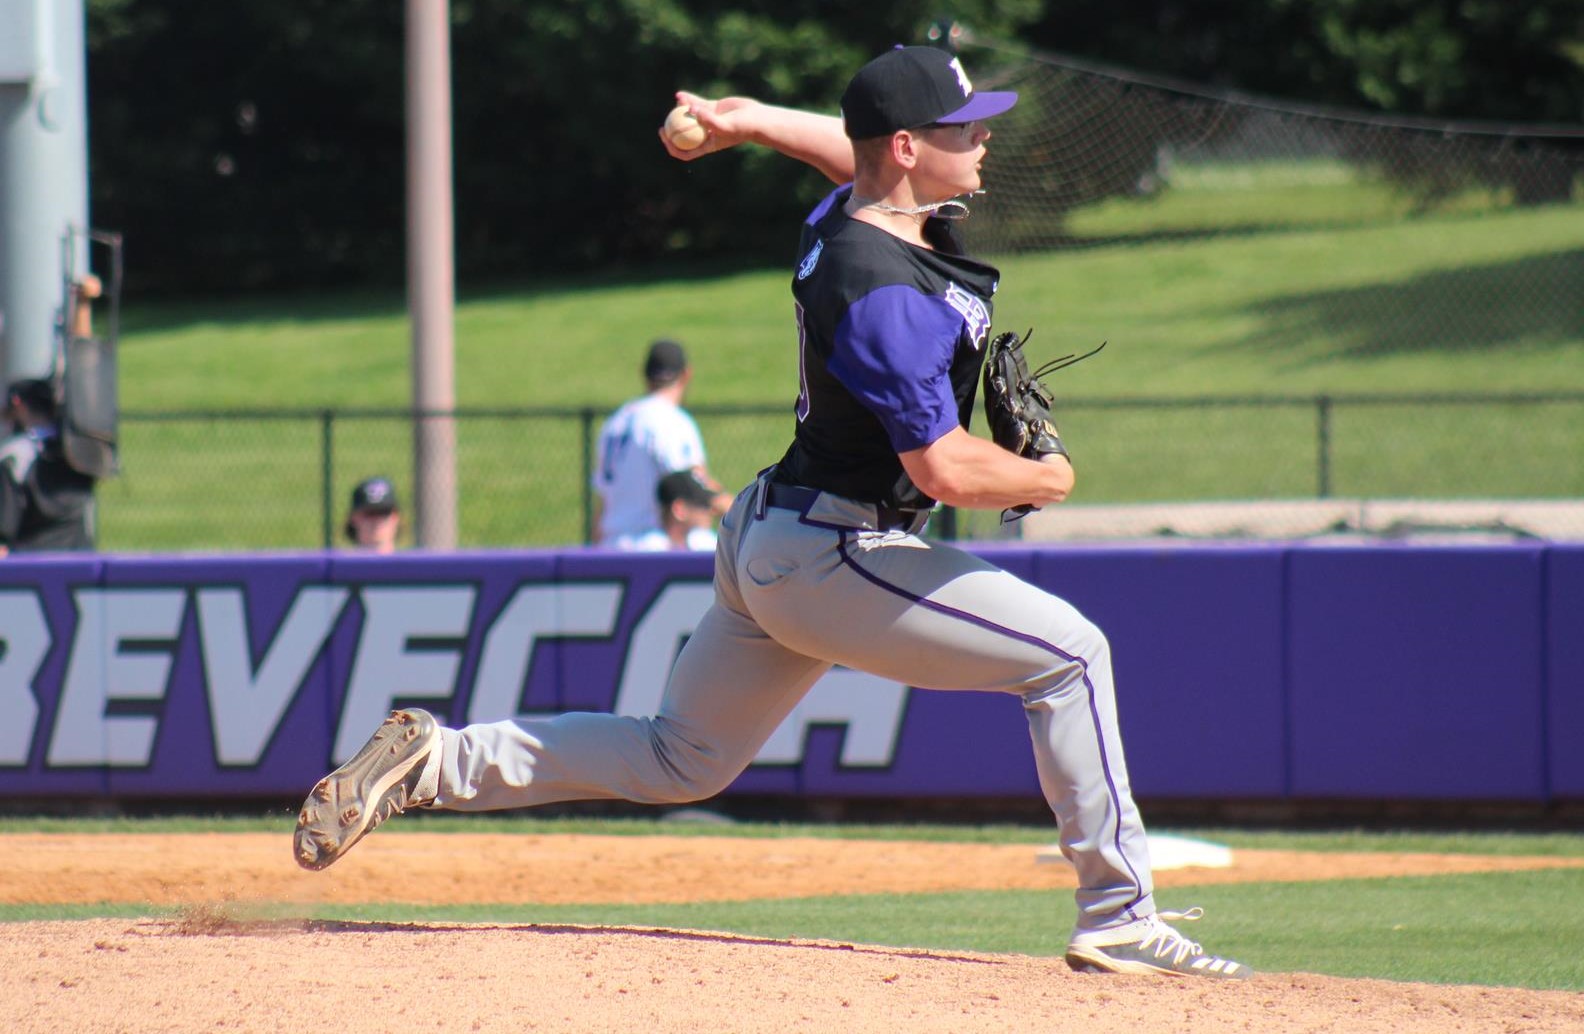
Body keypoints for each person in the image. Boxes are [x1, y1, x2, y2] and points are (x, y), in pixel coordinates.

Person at [294, 46, 1250, 981]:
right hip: (837, 550)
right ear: (911, 147)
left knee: (683, 758)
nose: (985, 141)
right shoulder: (883, 296)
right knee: (1072, 654)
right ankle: (1123, 918)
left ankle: (433, 763)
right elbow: (945, 468)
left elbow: (844, 152)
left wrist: (744, 120)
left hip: (772, 531)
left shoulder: (854, 218)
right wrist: (1049, 476)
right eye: (966, 128)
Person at [591, 338, 730, 549]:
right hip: (651, 548)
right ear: (686, 375)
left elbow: (603, 504)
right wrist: (739, 511)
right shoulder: (671, 420)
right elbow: (690, 485)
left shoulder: (614, 423)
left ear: (644, 375)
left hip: (610, 548)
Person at [0, 378, 96, 554]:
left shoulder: (14, 455)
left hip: (29, 563)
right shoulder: (79, 451)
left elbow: (6, 521)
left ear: (18, 404)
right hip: (79, 558)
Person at [626, 469, 720, 552]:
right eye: (703, 504)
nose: (710, 511)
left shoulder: (707, 543)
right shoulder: (647, 549)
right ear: (679, 510)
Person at [343, 476, 401, 554]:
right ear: (354, 518)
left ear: (395, 517)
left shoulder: (412, 565)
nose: (377, 520)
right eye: (370, 514)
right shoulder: (341, 565)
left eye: (383, 512)